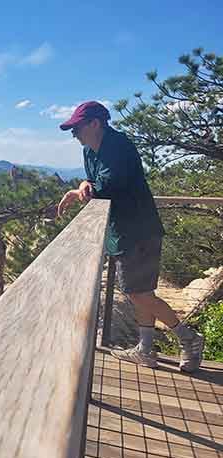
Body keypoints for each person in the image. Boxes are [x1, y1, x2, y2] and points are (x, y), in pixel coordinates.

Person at [56, 101, 203, 372]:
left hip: (139, 232)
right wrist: (83, 184)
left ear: (95, 124)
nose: (74, 134)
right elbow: (93, 183)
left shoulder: (118, 146)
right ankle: (146, 349)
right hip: (122, 232)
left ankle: (188, 338)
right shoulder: (91, 150)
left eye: (77, 128)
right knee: (143, 292)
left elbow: (108, 186)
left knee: (136, 294)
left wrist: (80, 191)